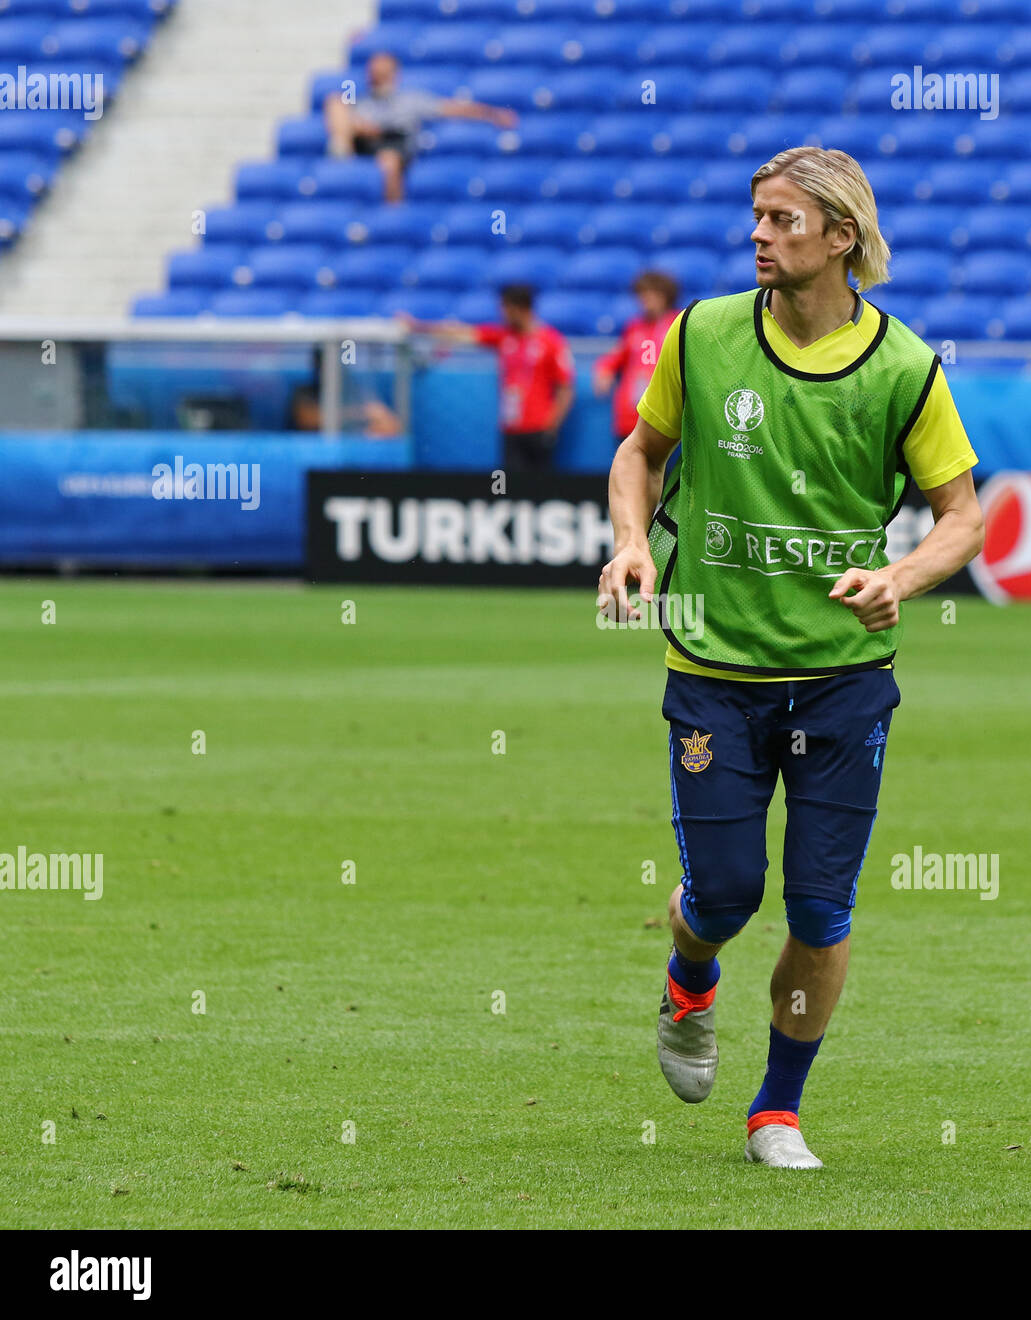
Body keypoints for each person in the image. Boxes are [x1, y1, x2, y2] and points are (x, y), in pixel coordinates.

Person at [598, 147, 986, 1169]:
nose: (759, 234)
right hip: (715, 671)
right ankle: (690, 981)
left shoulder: (904, 369)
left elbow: (962, 518)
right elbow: (639, 454)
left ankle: (776, 1110)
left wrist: (900, 580)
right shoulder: (702, 334)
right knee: (724, 895)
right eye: (756, 216)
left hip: (843, 679)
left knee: (820, 906)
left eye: (781, 219)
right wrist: (633, 541)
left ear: (840, 238)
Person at [401, 284, 575, 471]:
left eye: (506, 308)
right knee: (510, 487)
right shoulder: (504, 337)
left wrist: (552, 425)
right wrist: (419, 327)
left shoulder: (552, 342)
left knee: (541, 488)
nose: (503, 314)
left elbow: (566, 387)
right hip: (511, 427)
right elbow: (461, 332)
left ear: (520, 308)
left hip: (540, 428)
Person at [325, 52, 518, 203]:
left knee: (389, 161)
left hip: (395, 141)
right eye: (374, 75)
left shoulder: (410, 100)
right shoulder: (362, 101)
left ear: (393, 75)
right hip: (364, 141)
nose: (376, 79)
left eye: (382, 75)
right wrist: (359, 127)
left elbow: (453, 108)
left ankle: (390, 215)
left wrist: (492, 114)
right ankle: (341, 156)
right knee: (335, 103)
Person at [592, 271, 680, 444]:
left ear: (666, 296)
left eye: (652, 295)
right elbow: (614, 357)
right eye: (643, 295)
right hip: (629, 416)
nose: (646, 300)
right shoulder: (634, 328)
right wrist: (604, 371)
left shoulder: (677, 323)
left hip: (663, 416)